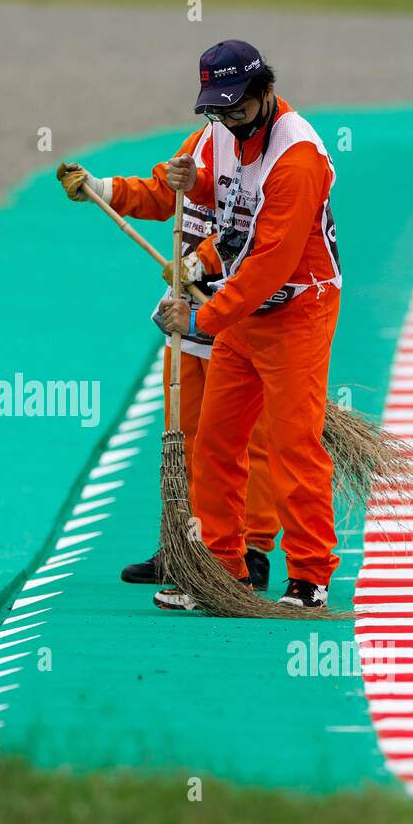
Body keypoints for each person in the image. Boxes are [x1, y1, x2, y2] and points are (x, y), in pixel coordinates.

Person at [155, 39, 342, 610]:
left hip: (297, 307)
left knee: (293, 442)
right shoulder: (222, 133)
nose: (226, 119)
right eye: (216, 108)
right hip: (244, 306)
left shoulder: (299, 157)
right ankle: (222, 572)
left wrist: (201, 316)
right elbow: (235, 203)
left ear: (266, 91)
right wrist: (195, 182)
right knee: (215, 441)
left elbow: (271, 260)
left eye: (236, 107)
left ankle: (309, 576)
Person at [56, 140, 277, 592]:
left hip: (238, 313)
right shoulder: (203, 141)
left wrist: (200, 261)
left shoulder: (268, 150)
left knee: (245, 441)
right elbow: (161, 194)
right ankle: (187, 542)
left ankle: (250, 550)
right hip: (187, 315)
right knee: (187, 434)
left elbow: (258, 227)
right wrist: (99, 188)